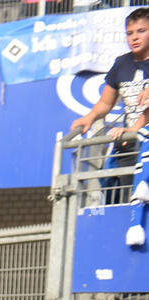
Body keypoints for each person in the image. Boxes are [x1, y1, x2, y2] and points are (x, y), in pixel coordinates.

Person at [69, 8, 149, 246]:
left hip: (145, 145)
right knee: (122, 204)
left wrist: (134, 128)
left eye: (141, 31)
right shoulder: (121, 64)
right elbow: (105, 102)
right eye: (129, 33)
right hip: (128, 148)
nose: (134, 37)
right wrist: (89, 118)